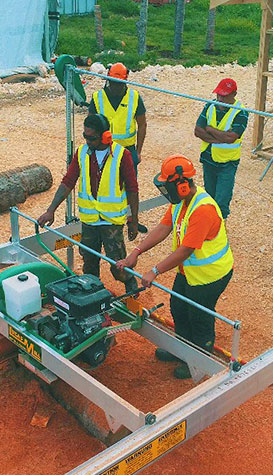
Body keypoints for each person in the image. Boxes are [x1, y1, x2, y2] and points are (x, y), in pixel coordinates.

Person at [116, 155, 233, 379]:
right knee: (179, 307)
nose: (166, 192)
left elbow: (185, 250)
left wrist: (155, 270)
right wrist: (136, 253)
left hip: (210, 276)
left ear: (181, 185)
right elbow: (163, 228)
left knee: (199, 316)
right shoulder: (180, 202)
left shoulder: (203, 209)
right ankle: (182, 351)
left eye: (168, 186)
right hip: (190, 272)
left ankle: (198, 362)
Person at [37, 114, 140, 293]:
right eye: (85, 136)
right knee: (89, 264)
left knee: (118, 266)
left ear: (106, 136)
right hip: (90, 221)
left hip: (111, 222)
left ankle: (129, 282)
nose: (87, 141)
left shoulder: (122, 155)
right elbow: (68, 182)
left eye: (91, 138)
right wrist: (50, 210)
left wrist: (134, 220)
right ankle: (94, 296)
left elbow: (132, 189)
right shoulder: (82, 153)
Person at [89, 62, 148, 233]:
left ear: (125, 82)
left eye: (118, 83)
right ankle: (105, 219)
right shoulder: (98, 97)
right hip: (103, 149)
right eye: (113, 82)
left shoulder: (134, 97)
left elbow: (142, 124)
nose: (115, 87)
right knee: (104, 185)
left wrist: (139, 150)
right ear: (108, 80)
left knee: (130, 187)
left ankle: (131, 218)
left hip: (127, 150)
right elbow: (90, 124)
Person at [193, 78, 247, 220]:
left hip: (227, 163)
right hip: (208, 159)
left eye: (224, 95)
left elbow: (231, 138)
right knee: (209, 198)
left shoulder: (241, 112)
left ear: (234, 94)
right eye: (219, 94)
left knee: (222, 202)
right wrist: (220, 137)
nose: (220, 98)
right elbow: (198, 131)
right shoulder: (210, 105)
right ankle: (210, 228)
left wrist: (210, 129)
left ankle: (220, 231)